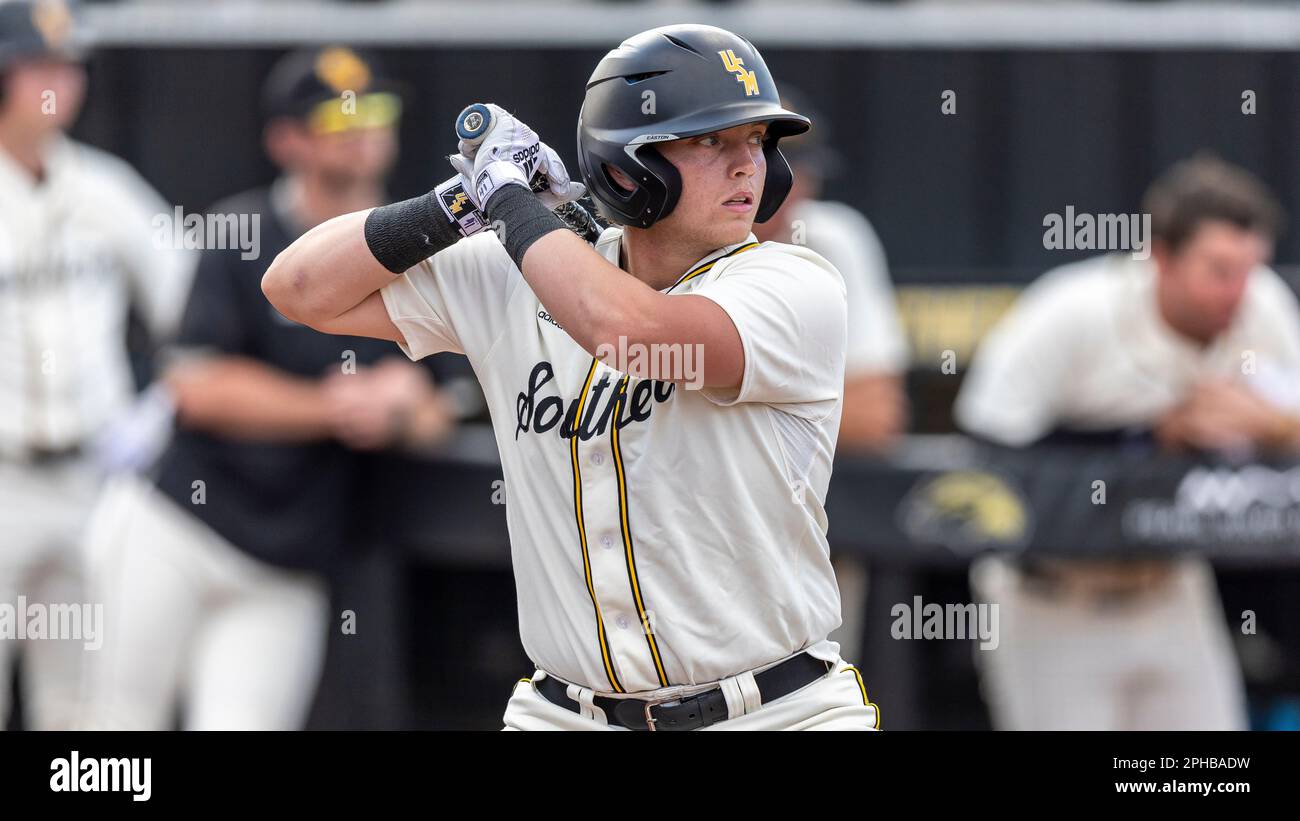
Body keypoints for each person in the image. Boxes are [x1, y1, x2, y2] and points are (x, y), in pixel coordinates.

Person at [263, 24, 880, 731]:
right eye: (710, 140)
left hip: (772, 711)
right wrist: (463, 200)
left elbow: (629, 334)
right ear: (627, 163)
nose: (747, 164)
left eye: (758, 140)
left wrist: (517, 210)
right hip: (566, 713)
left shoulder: (793, 281)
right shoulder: (524, 269)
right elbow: (298, 287)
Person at [77, 46, 459, 730]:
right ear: (287, 138)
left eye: (376, 110)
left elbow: (444, 403)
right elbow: (193, 385)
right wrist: (333, 407)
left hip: (292, 560)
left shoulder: (424, 255)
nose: (363, 126)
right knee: (111, 726)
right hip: (180, 526)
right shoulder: (242, 232)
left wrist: (403, 410)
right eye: (339, 115)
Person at [954, 155, 1300, 730]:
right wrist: (1150, 437)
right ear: (1160, 257)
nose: (1237, 291)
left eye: (1249, 268)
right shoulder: (1072, 311)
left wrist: (1273, 425)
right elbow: (985, 462)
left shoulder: (1260, 303)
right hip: (1052, 600)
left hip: (1173, 588)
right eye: (1218, 270)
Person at [0, 0, 194, 729]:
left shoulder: (105, 187)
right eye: (39, 68)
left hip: (94, 481)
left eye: (69, 68)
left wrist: (158, 408)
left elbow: (194, 308)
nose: (61, 85)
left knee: (88, 710)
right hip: (3, 478)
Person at [750, 88, 910, 663]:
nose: (799, 193)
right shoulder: (659, 241)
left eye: (805, 175)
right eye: (782, 174)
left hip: (803, 546)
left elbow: (875, 417)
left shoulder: (829, 238)